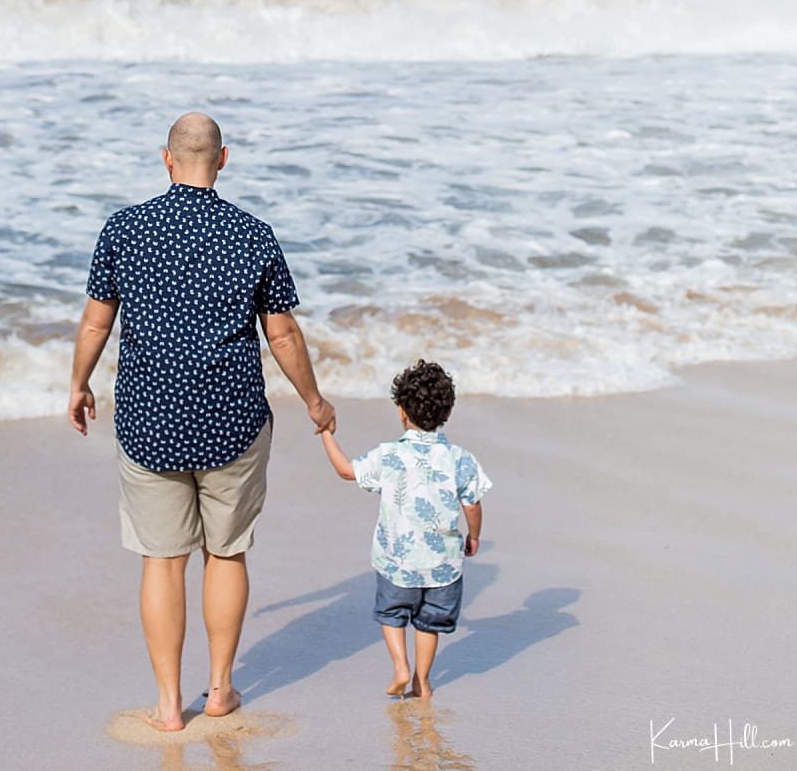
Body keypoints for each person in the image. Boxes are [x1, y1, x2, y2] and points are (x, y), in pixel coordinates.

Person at [68, 112, 335, 733]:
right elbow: (283, 333)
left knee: (162, 561)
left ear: (167, 159)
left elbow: (95, 323)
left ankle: (168, 705)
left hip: (148, 419)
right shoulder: (253, 234)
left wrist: (79, 385)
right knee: (227, 551)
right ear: (223, 159)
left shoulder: (125, 229)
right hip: (232, 419)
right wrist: (315, 401)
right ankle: (218, 691)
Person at [320, 359, 491, 699]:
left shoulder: (389, 455)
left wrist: (326, 433)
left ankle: (399, 664)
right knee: (430, 622)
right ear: (448, 413)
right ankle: (421, 680)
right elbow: (472, 504)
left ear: (401, 411)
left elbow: (345, 471)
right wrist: (474, 536)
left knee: (392, 612)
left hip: (397, 560)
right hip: (443, 564)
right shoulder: (459, 458)